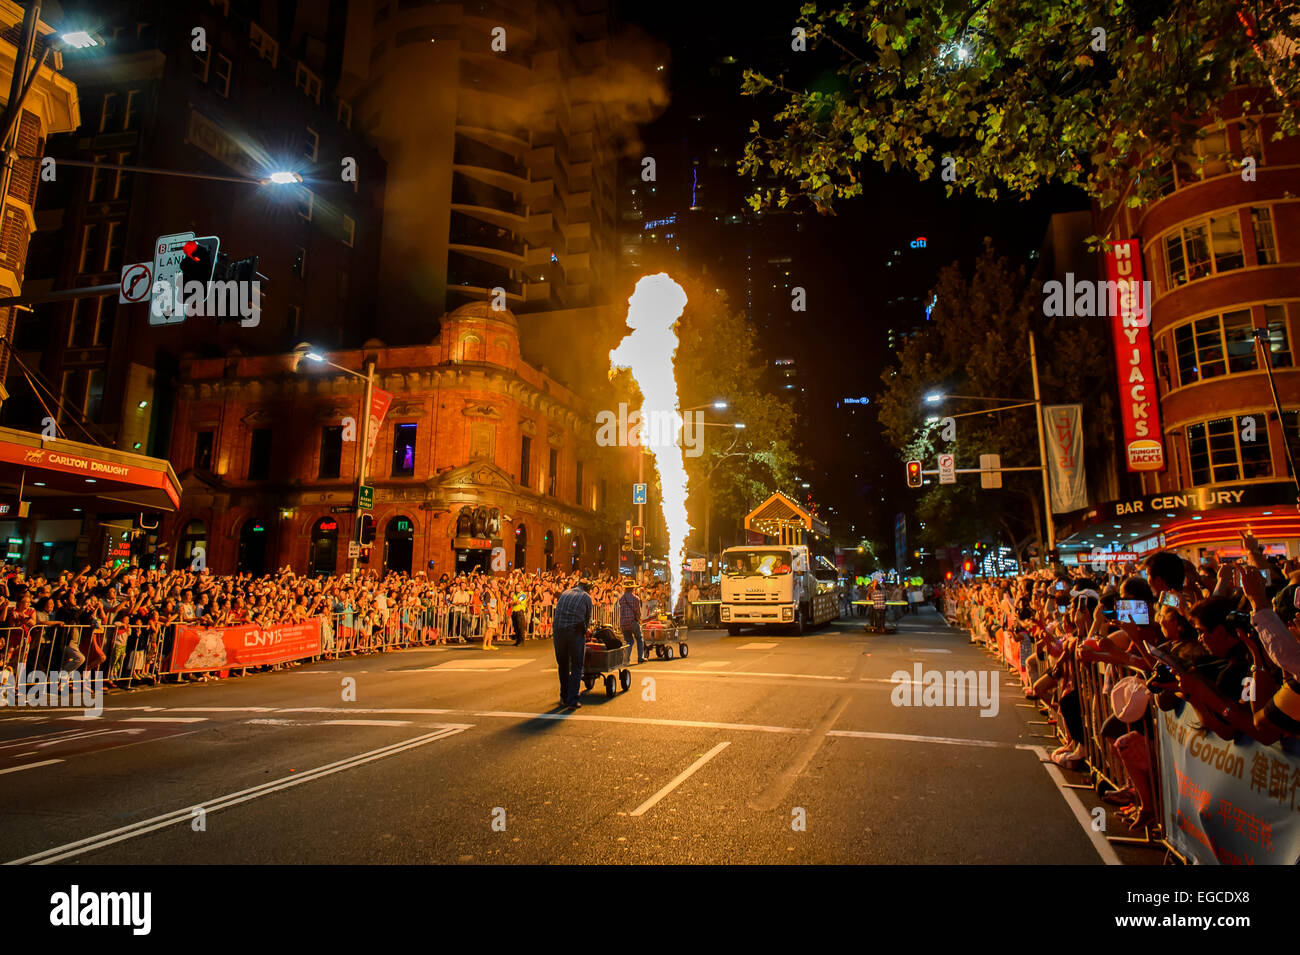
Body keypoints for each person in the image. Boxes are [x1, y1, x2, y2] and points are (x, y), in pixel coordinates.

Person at [552, 580, 593, 708]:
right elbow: (587, 619)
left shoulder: (565, 593)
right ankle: (572, 699)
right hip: (574, 632)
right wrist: (586, 631)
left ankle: (563, 697)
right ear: (588, 589)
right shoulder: (586, 597)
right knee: (576, 665)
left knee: (563, 665)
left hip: (558, 631)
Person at [617, 581, 644, 664]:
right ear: (633, 588)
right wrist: (638, 619)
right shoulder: (636, 599)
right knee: (639, 638)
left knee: (629, 641)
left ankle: (626, 659)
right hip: (632, 622)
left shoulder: (621, 599)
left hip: (623, 623)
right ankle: (640, 657)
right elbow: (638, 612)